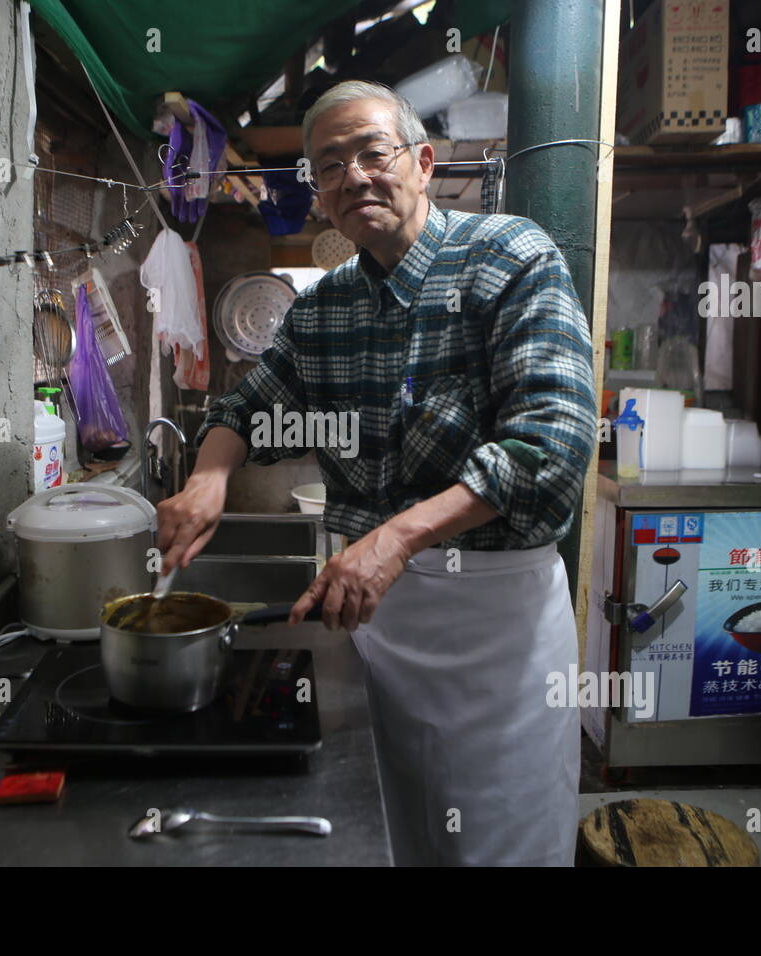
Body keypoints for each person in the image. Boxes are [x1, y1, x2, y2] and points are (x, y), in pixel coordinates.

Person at [156, 80, 597, 865]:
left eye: (372, 152)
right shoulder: (324, 308)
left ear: (423, 163)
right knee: (386, 834)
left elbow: (552, 453)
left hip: (498, 634)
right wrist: (208, 480)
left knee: (499, 844)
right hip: (377, 632)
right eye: (330, 166)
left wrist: (394, 539)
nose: (354, 175)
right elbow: (249, 408)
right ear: (320, 198)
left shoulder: (511, 258)